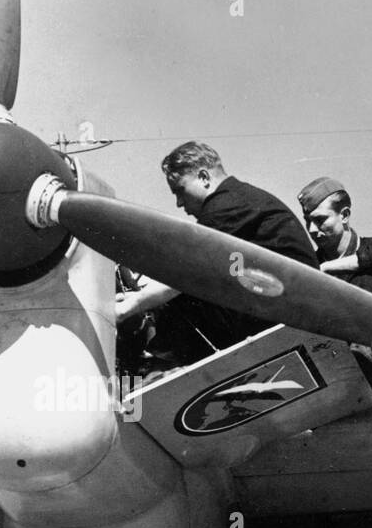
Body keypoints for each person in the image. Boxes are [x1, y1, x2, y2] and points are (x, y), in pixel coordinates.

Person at [116, 142, 318, 374]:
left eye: (180, 190)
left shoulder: (225, 205)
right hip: (286, 308)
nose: (179, 203)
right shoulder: (239, 198)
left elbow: (188, 270)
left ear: (203, 177)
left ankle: (160, 366)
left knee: (181, 297)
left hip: (292, 317)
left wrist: (133, 304)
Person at [297, 176, 372, 393]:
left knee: (371, 271)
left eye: (320, 220)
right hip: (330, 365)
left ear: (345, 215)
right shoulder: (309, 263)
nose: (312, 229)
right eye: (307, 220)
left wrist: (325, 269)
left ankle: (361, 352)